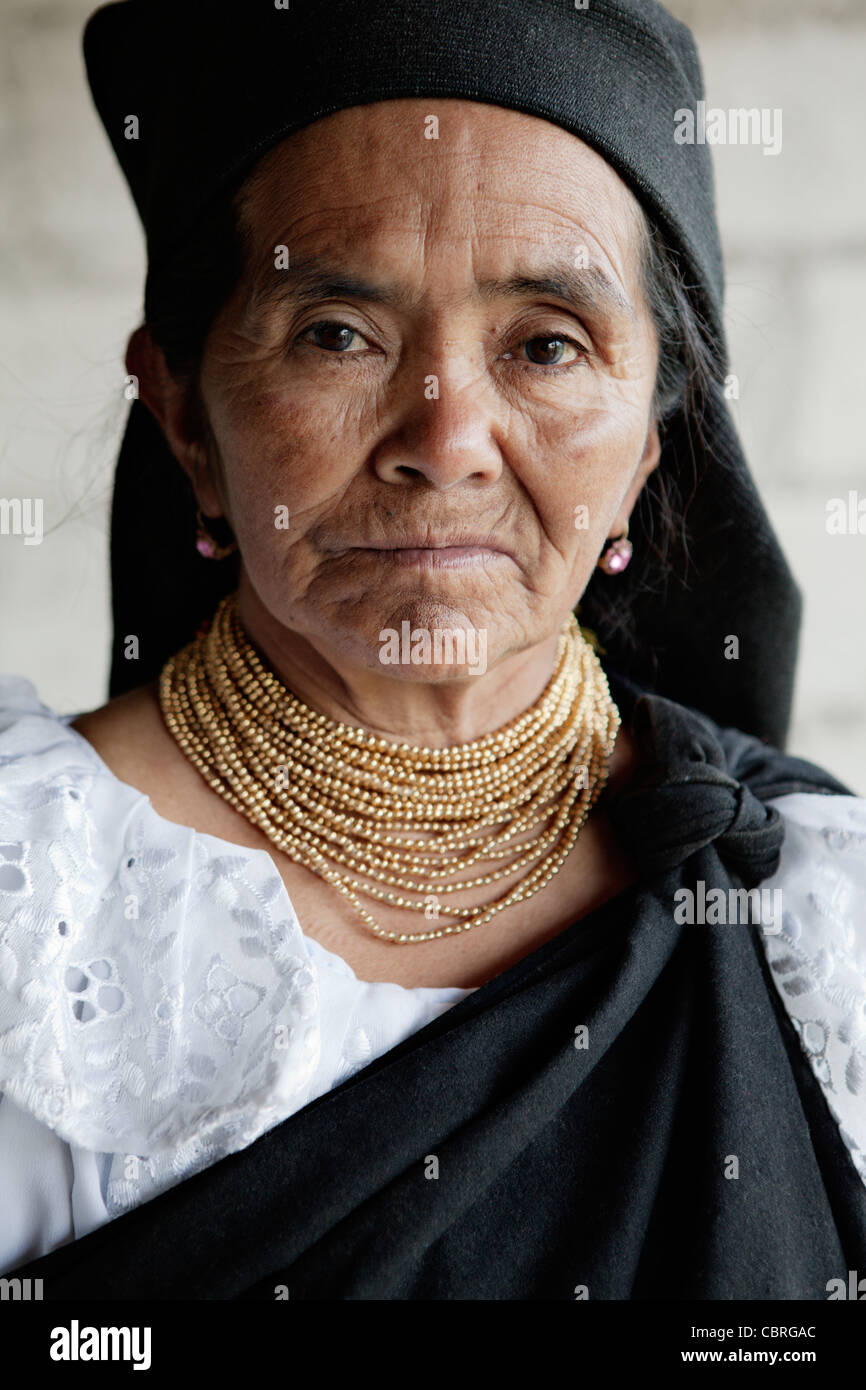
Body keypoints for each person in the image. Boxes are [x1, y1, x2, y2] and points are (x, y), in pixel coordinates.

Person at [1, 0, 864, 1299]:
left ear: (646, 442)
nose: (445, 441)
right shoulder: (35, 904)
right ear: (183, 417)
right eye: (336, 334)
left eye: (547, 345)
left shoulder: (814, 911)